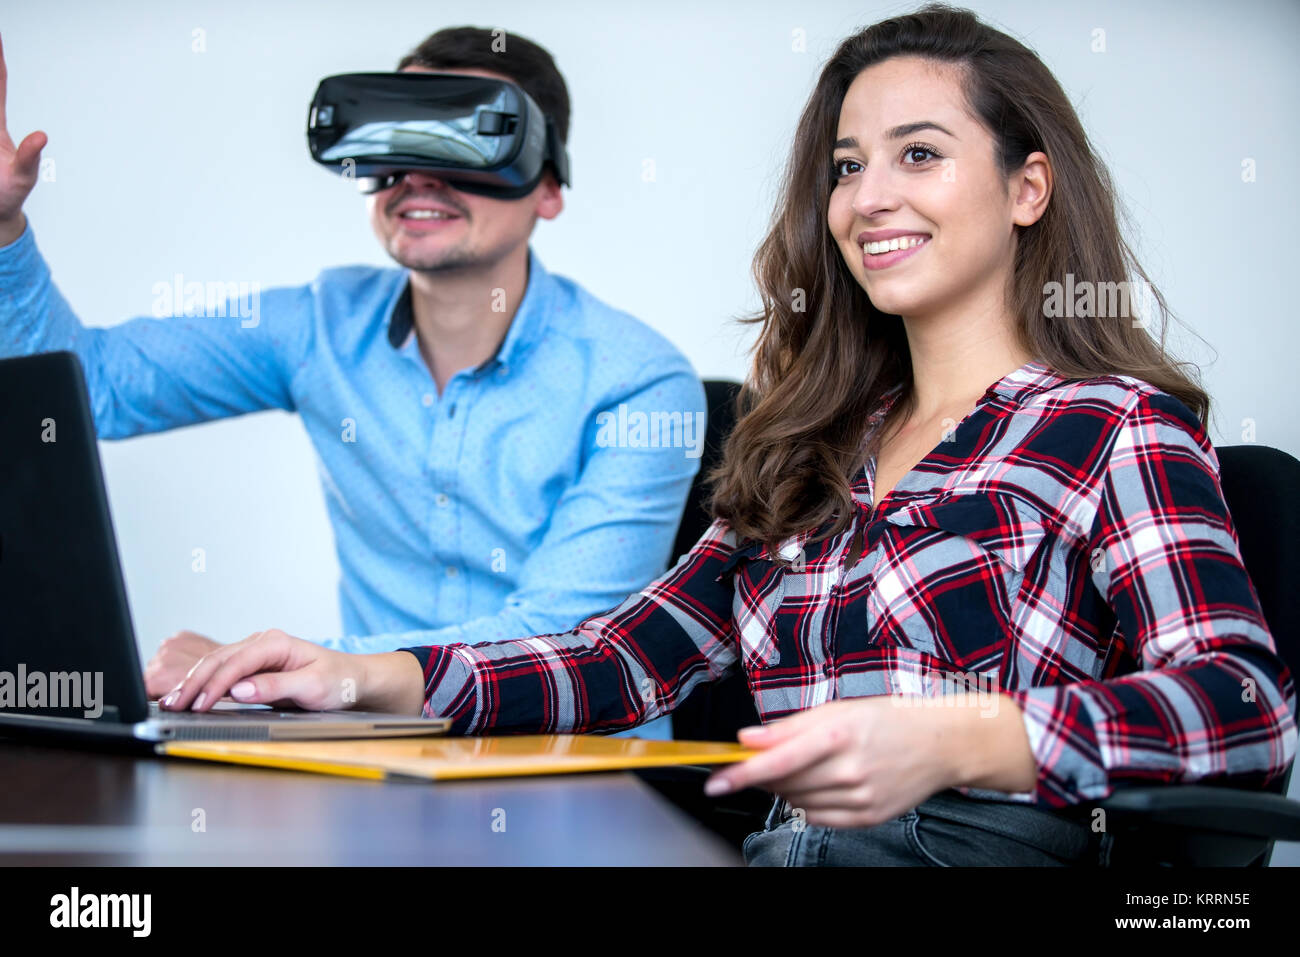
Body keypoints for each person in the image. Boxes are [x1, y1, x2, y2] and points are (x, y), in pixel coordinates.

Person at [158, 3, 1296, 865]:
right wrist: (360, 677)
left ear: (1027, 188)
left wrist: (965, 739)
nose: (866, 199)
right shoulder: (812, 445)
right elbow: (617, 660)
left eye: (919, 154)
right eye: (847, 167)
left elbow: (1241, 710)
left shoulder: (1110, 428)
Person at [0, 27, 705, 739]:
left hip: (579, 779)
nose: (418, 176)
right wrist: (3, 230)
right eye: (396, 139)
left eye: (463, 139)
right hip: (371, 760)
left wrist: (301, 670)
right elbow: (91, 388)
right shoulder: (320, 326)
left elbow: (561, 634)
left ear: (548, 186)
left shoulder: (640, 383)